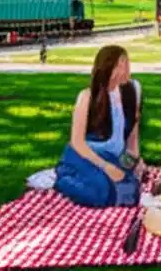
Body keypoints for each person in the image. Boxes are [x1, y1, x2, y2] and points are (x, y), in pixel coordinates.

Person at [53, 45, 145, 207]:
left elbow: (132, 142)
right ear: (107, 68)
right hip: (85, 155)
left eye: (126, 62)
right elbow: (77, 143)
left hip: (112, 157)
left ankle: (100, 186)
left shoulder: (133, 91)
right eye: (120, 64)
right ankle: (63, 178)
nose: (126, 68)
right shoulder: (87, 97)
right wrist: (107, 167)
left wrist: (134, 162)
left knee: (132, 191)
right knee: (101, 190)